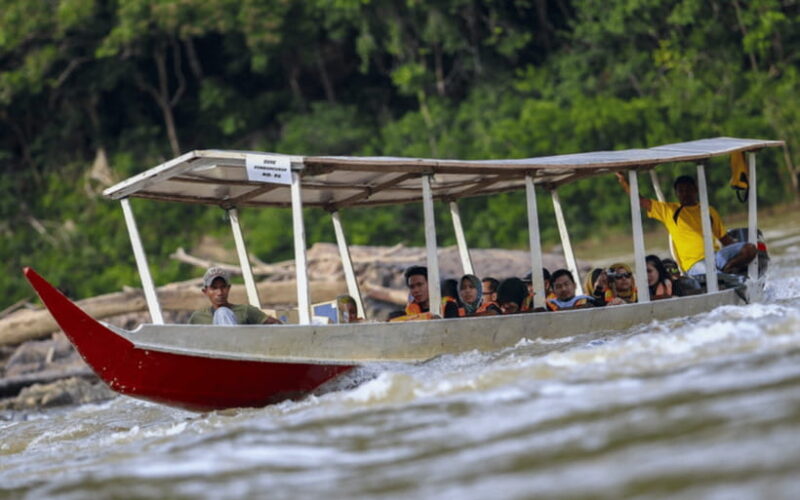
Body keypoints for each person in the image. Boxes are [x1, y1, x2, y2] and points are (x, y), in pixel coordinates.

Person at [616, 172, 756, 276]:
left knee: (750, 249)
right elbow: (641, 201)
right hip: (694, 264)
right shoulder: (669, 210)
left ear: (695, 190)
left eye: (688, 189)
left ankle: (728, 268)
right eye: (681, 191)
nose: (685, 193)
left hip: (716, 256)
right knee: (714, 276)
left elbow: (724, 239)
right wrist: (624, 182)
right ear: (676, 194)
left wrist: (738, 254)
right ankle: (728, 277)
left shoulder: (708, 210)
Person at [189, 266, 280, 325]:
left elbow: (277, 325)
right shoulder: (198, 317)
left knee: (222, 312)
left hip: (239, 350)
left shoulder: (246, 311)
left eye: (223, 287)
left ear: (228, 288)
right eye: (214, 288)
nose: (220, 292)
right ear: (205, 291)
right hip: (212, 353)